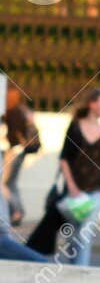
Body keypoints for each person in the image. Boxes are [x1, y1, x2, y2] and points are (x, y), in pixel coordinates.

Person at [53, 88, 100, 266]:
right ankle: (74, 269)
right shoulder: (75, 127)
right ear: (92, 104)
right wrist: (71, 186)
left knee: (85, 233)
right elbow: (64, 159)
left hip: (97, 191)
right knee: (73, 235)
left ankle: (81, 272)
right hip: (74, 191)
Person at [4, 84, 40, 227]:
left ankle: (17, 211)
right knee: (11, 183)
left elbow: (12, 134)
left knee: (6, 183)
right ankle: (16, 211)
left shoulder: (12, 112)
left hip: (14, 151)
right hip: (22, 151)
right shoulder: (23, 110)